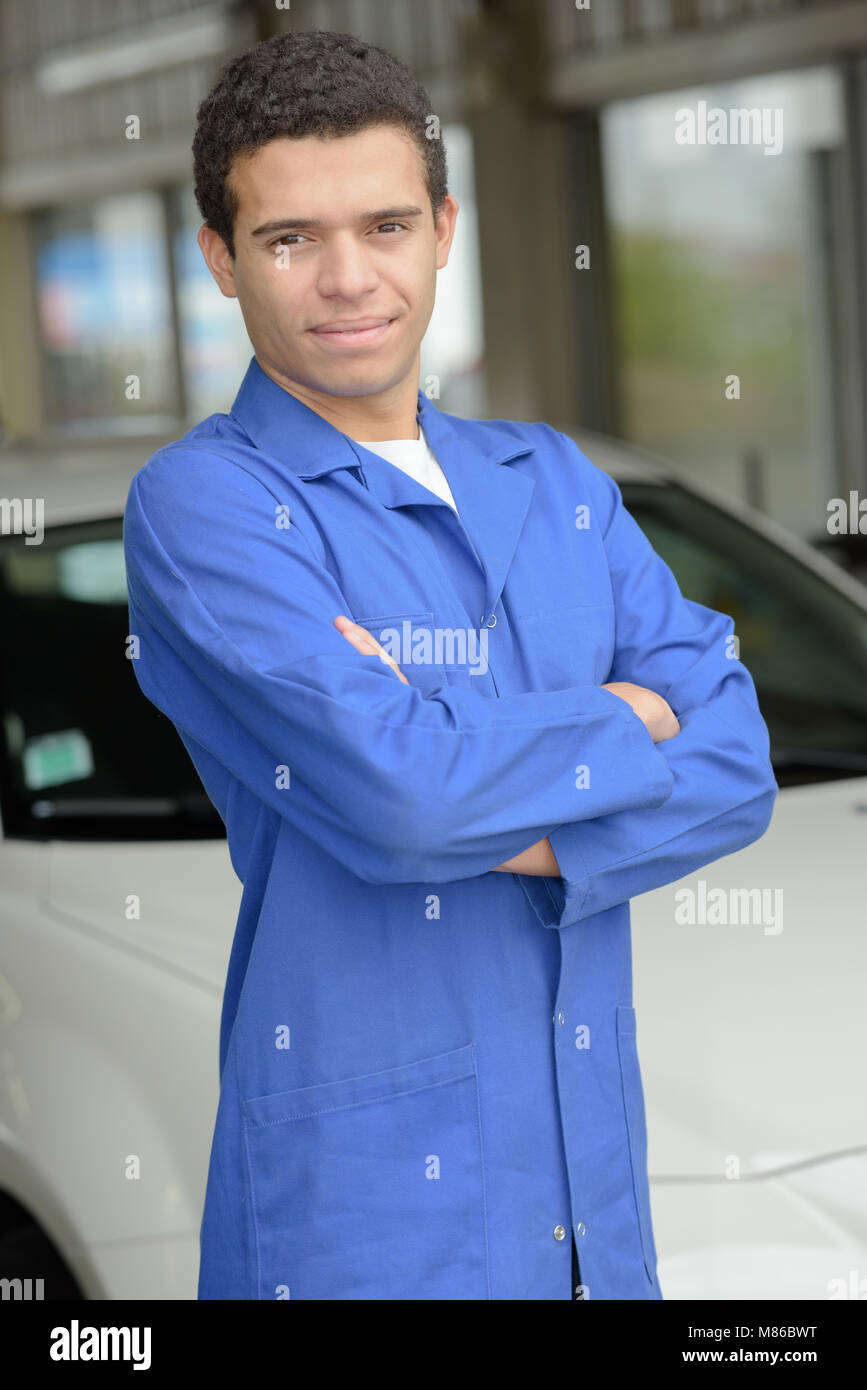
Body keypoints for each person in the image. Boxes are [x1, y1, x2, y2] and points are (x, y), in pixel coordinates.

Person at [122, 29, 778, 1301]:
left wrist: (465, 767)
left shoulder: (555, 480)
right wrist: (623, 719)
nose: (347, 278)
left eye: (384, 224)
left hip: (593, 1207)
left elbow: (740, 763)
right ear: (219, 258)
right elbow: (405, 794)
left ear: (444, 228)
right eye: (288, 238)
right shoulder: (208, 505)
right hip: (370, 1225)